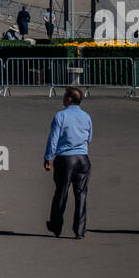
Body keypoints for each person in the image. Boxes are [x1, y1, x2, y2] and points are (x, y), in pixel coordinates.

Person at [44, 86, 93, 239]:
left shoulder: (61, 116)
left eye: (65, 95)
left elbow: (54, 139)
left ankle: (56, 226)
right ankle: (79, 230)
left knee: (61, 192)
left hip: (65, 159)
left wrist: (48, 157)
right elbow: (89, 137)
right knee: (81, 195)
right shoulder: (86, 116)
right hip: (83, 158)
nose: (63, 98)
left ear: (70, 99)